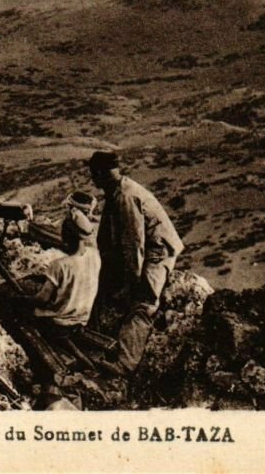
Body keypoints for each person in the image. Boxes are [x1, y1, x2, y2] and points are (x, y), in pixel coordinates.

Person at [87, 150, 184, 371]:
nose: (92, 180)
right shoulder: (116, 191)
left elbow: (134, 246)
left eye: (94, 175)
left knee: (143, 303)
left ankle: (124, 364)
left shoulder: (126, 198)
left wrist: (131, 281)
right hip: (144, 248)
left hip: (158, 251)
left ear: (101, 174)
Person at [0, 200, 102, 330]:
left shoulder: (60, 265)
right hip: (81, 318)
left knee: (4, 303)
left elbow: (41, 300)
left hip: (57, 322)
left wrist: (20, 298)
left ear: (67, 235)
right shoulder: (94, 255)